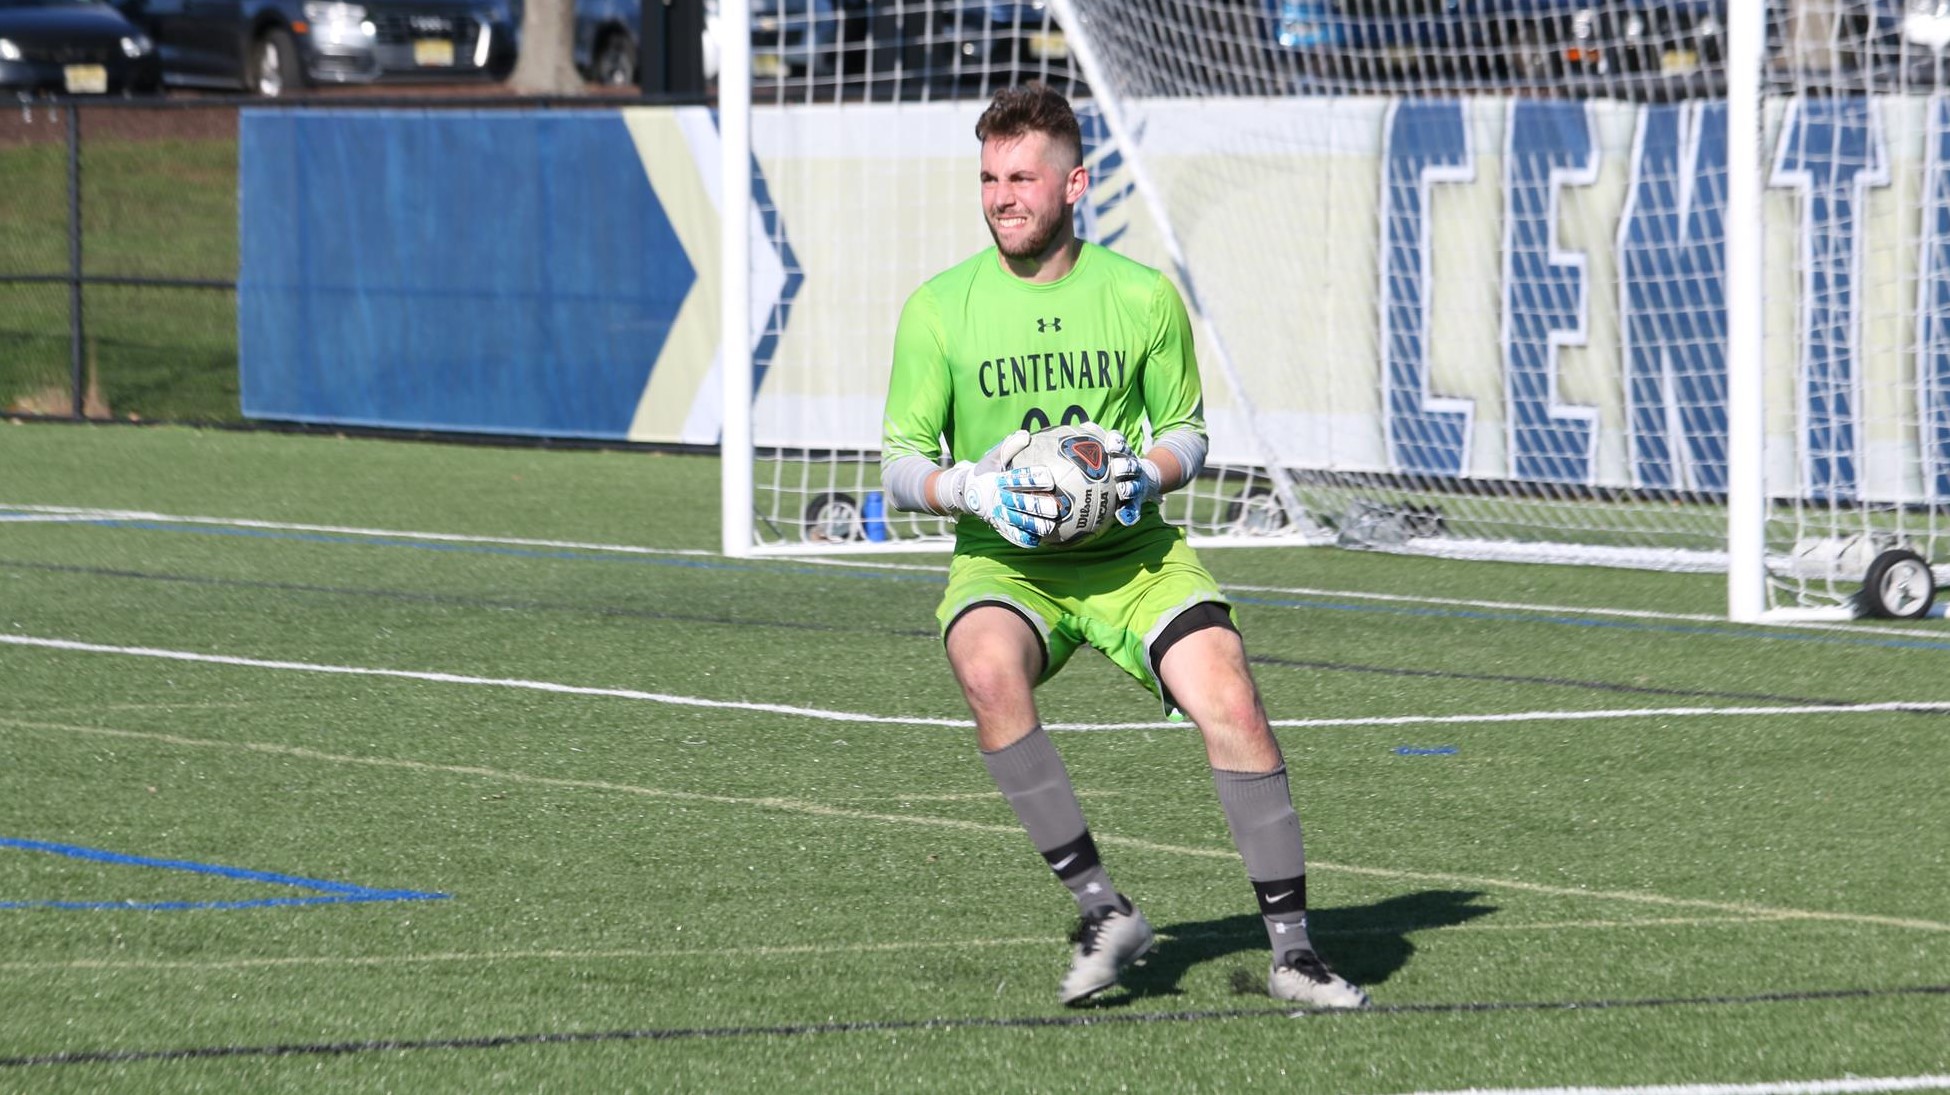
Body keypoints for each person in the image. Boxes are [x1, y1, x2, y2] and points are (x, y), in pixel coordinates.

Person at [877, 83, 1369, 1010]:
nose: (1001, 197)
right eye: (988, 177)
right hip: (1007, 559)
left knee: (1229, 690)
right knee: (986, 668)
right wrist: (968, 486)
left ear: (1075, 185)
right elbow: (901, 463)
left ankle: (1296, 955)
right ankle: (1105, 910)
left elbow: (1187, 432)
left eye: (1022, 176)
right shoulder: (938, 308)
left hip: (1133, 558)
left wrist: (1143, 475)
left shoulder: (1142, 296)